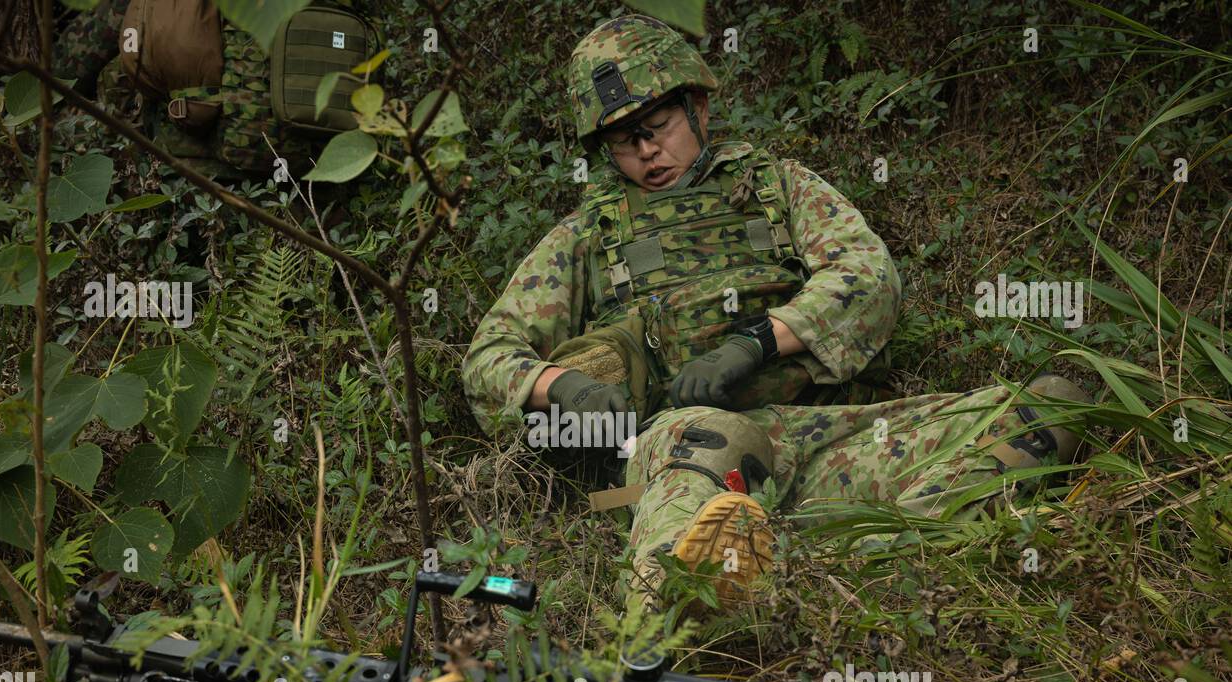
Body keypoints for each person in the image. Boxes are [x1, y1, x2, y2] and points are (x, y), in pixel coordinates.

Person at [463, 14, 1088, 618]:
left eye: (659, 125)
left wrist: (755, 344)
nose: (649, 152)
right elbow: (490, 356)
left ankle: (876, 559)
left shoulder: (778, 188)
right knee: (716, 439)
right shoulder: (588, 236)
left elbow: (868, 277)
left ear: (698, 108)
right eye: (626, 143)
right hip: (684, 454)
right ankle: (652, 631)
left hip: (825, 438)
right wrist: (563, 386)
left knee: (1055, 405)